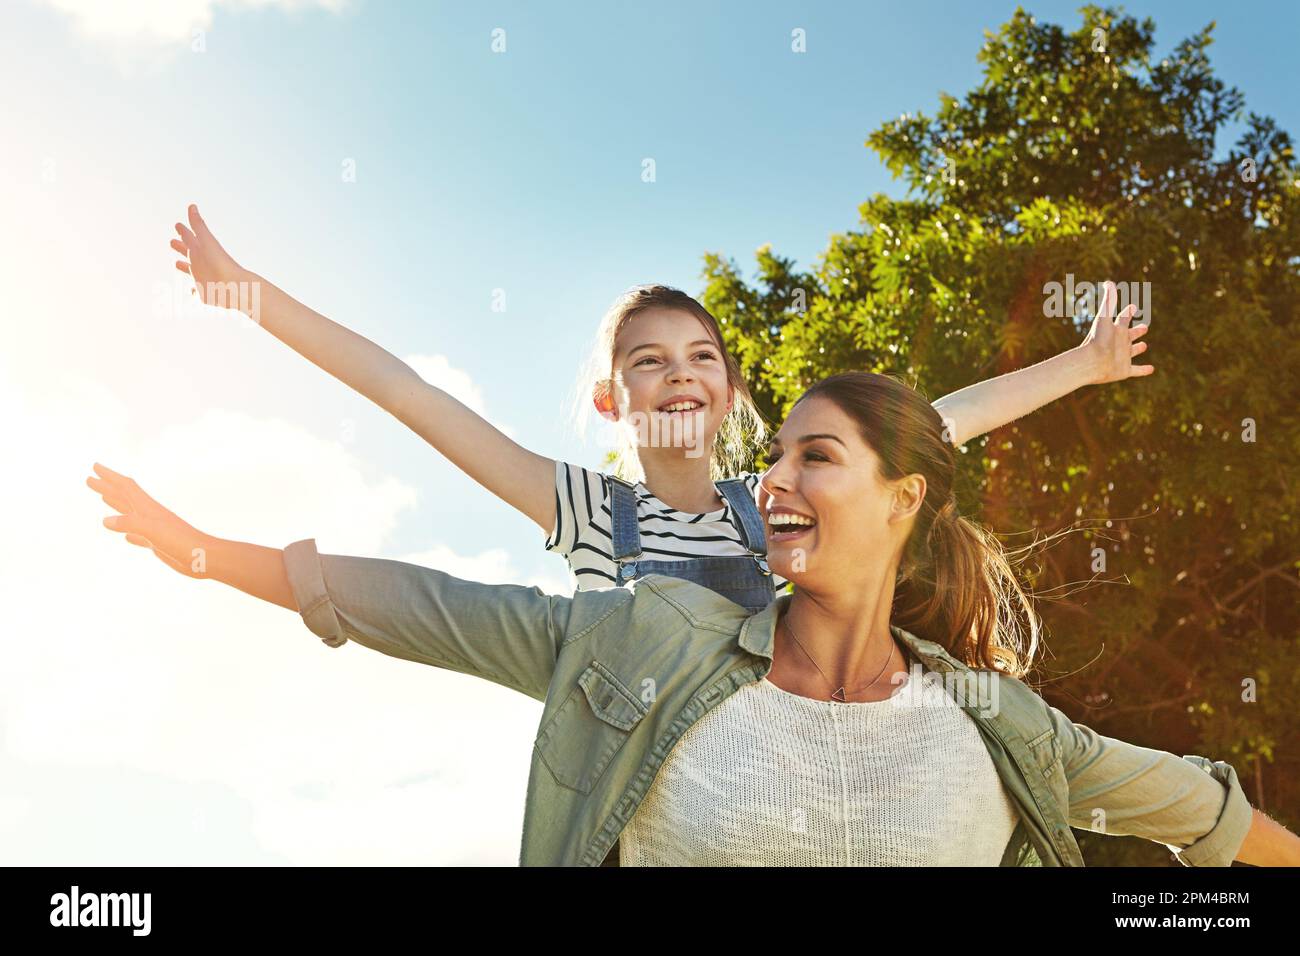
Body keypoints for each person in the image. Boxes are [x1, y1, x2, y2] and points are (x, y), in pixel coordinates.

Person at [91, 371, 1293, 867]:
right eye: (770, 456)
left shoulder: (1001, 730)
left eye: (814, 456)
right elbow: (413, 602)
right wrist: (205, 550)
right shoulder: (643, 640)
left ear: (905, 495)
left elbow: (1209, 818)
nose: (772, 480)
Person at [169, 205, 1151, 609]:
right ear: (613, 397)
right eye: (648, 360)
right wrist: (248, 294)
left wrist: (1084, 362)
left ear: (728, 389)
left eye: (699, 356)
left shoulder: (770, 501)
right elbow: (406, 392)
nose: (679, 373)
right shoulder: (593, 515)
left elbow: (940, 417)